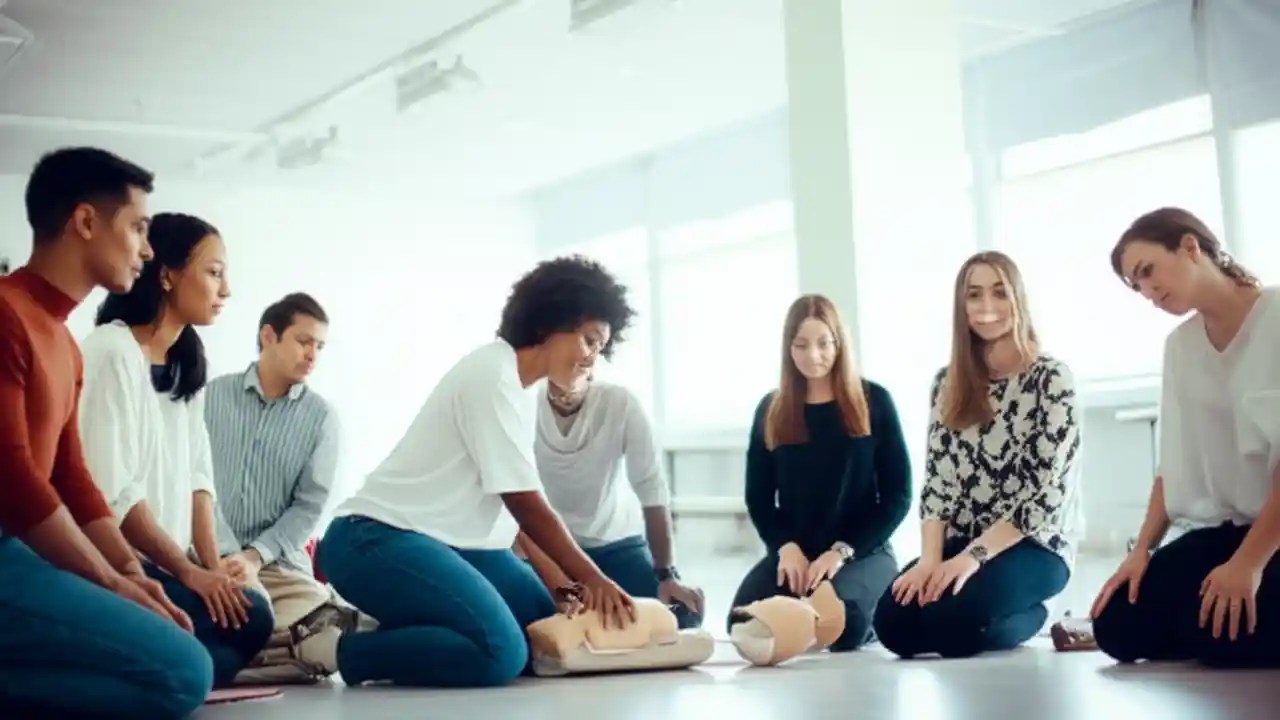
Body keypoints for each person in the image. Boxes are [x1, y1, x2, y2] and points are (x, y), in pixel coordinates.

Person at [317, 255, 640, 688]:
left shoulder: (523, 392)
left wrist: (561, 586)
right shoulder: (492, 376)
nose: (591, 360)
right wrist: (592, 577)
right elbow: (526, 505)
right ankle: (335, 649)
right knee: (500, 652)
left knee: (544, 635)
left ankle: (392, 629)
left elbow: (516, 517)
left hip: (452, 546)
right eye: (588, 341)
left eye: (600, 349)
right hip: (373, 538)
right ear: (550, 322)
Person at [0, 147, 212, 719]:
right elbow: (15, 481)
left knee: (183, 643)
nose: (147, 248)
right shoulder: (6, 314)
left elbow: (72, 478)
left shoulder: (64, 343)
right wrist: (111, 584)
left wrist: (132, 573)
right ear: (86, 222)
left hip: (23, 556)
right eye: (139, 227)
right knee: (184, 672)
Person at [78, 211, 274, 688]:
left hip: (167, 561)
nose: (225, 289)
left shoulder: (187, 362)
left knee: (253, 614)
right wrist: (189, 573)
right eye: (214, 272)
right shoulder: (111, 350)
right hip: (114, 564)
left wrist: (213, 572)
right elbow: (115, 494)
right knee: (227, 633)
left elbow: (198, 479)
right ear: (166, 274)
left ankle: (171, 668)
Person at [1090, 207, 1280, 668]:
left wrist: (1249, 565)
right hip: (1228, 531)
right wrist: (1141, 552)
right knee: (1117, 624)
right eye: (1137, 286)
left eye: (1148, 271)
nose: (1148, 292)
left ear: (1190, 246)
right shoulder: (1180, 347)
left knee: (1218, 637)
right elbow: (1171, 466)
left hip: (1272, 534)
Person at [872, 251, 1083, 659]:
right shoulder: (947, 383)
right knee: (893, 626)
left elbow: (1044, 497)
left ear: (1018, 299)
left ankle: (1037, 612)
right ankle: (976, 600)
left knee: (952, 627)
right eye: (974, 295)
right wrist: (931, 561)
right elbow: (937, 482)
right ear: (961, 305)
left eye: (999, 293)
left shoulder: (1052, 379)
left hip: (1035, 545)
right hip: (963, 542)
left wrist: (972, 559)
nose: (987, 308)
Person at [729, 294, 911, 651]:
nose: (814, 355)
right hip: (797, 555)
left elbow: (898, 496)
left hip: (861, 553)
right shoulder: (771, 409)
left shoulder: (874, 401)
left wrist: (840, 552)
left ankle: (829, 613)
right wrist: (785, 548)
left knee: (845, 625)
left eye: (824, 343)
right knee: (742, 624)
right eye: (801, 345)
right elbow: (759, 497)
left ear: (839, 344)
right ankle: (803, 613)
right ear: (788, 349)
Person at [204, 291, 353, 684]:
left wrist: (253, 558)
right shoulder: (211, 396)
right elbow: (193, 481)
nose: (313, 355)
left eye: (319, 346)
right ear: (269, 336)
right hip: (204, 557)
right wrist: (223, 555)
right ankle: (278, 651)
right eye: (304, 342)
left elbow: (308, 508)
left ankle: (252, 648)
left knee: (330, 625)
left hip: (277, 570)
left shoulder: (321, 418)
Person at [534, 372, 705, 629]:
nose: (565, 394)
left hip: (615, 546)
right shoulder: (524, 404)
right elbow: (513, 503)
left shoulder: (619, 402)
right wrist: (559, 583)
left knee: (679, 617)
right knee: (542, 624)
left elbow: (651, 486)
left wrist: (667, 574)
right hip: (550, 550)